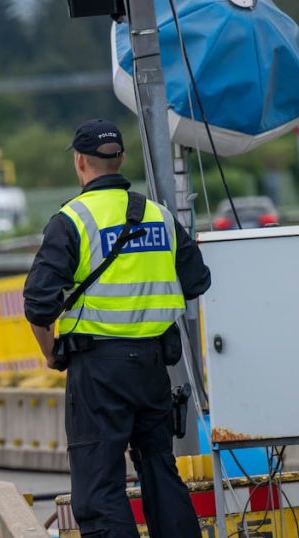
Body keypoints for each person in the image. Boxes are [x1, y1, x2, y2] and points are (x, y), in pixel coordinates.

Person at [23, 119, 211, 537]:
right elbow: (198, 280)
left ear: (79, 162)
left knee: (99, 487)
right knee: (161, 473)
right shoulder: (159, 217)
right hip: (153, 369)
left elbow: (37, 304)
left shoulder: (71, 220)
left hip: (98, 370)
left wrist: (51, 351)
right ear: (121, 158)